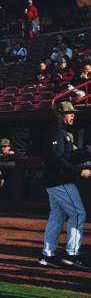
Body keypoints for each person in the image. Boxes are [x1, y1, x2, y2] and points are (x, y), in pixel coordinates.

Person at [38, 102, 91, 270]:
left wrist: (86, 152)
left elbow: (70, 156)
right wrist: (79, 172)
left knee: (57, 217)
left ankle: (48, 255)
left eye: (73, 112)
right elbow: (58, 159)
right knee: (78, 214)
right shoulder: (56, 134)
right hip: (60, 182)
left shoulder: (64, 134)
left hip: (56, 182)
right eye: (68, 112)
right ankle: (72, 255)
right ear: (59, 114)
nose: (72, 115)